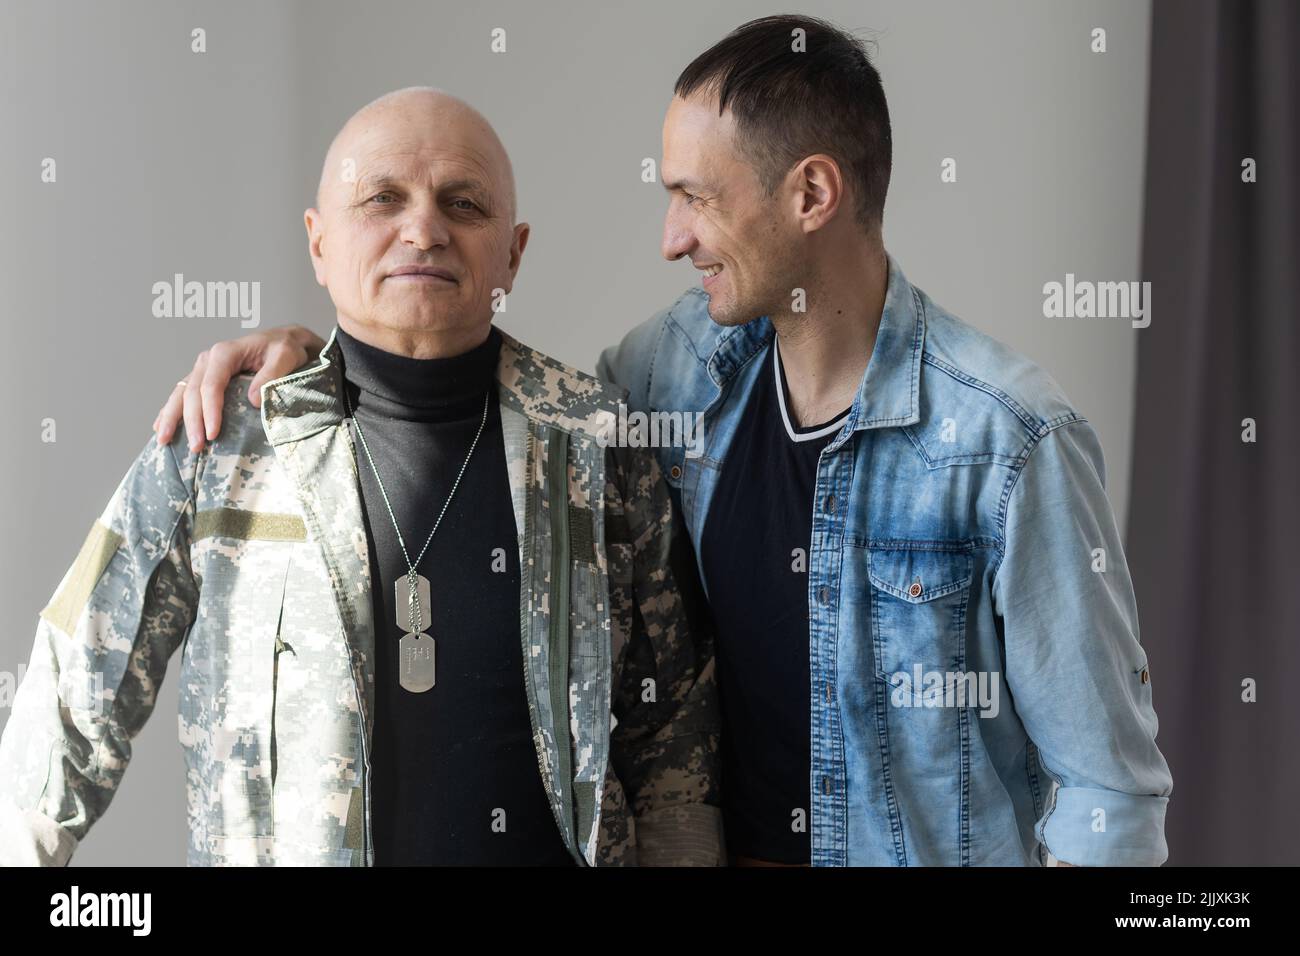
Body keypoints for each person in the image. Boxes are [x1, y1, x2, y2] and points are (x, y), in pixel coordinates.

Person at [150, 16, 1173, 867]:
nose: (669, 237)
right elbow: (469, 378)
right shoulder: (664, 378)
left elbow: (1108, 792)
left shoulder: (1006, 440)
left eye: (694, 196)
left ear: (809, 195)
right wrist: (309, 364)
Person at [0, 87, 722, 867]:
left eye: (463, 203)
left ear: (512, 252)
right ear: (318, 242)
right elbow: (72, 697)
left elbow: (675, 741)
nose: (423, 229)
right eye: (383, 198)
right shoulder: (221, 445)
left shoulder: (598, 443)